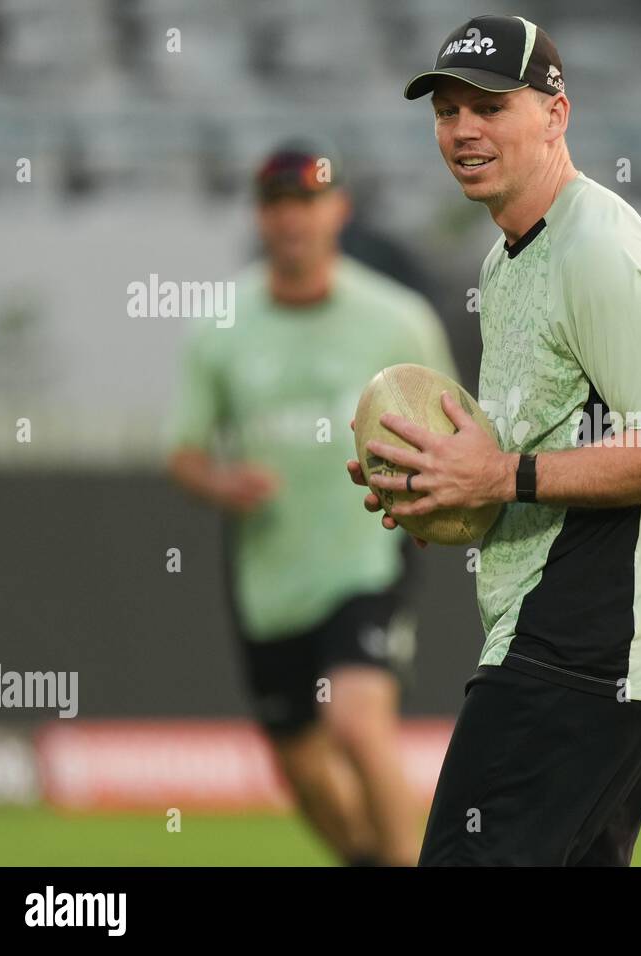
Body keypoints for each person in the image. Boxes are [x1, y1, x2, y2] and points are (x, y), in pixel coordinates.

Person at [346, 15, 641, 865]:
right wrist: (436, 485)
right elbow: (523, 463)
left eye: (490, 106)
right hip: (581, 648)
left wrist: (500, 475)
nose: (464, 129)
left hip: (585, 649)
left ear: (556, 114)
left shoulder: (598, 249)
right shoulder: (506, 258)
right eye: (446, 111)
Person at [167, 140, 457, 866]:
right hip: (270, 577)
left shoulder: (397, 318)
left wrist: (431, 502)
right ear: (260, 218)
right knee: (299, 768)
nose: (292, 220)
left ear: (339, 211)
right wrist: (221, 484)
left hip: (367, 556)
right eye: (277, 204)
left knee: (358, 725)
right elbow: (185, 451)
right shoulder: (221, 323)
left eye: (307, 202)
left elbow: (454, 428)